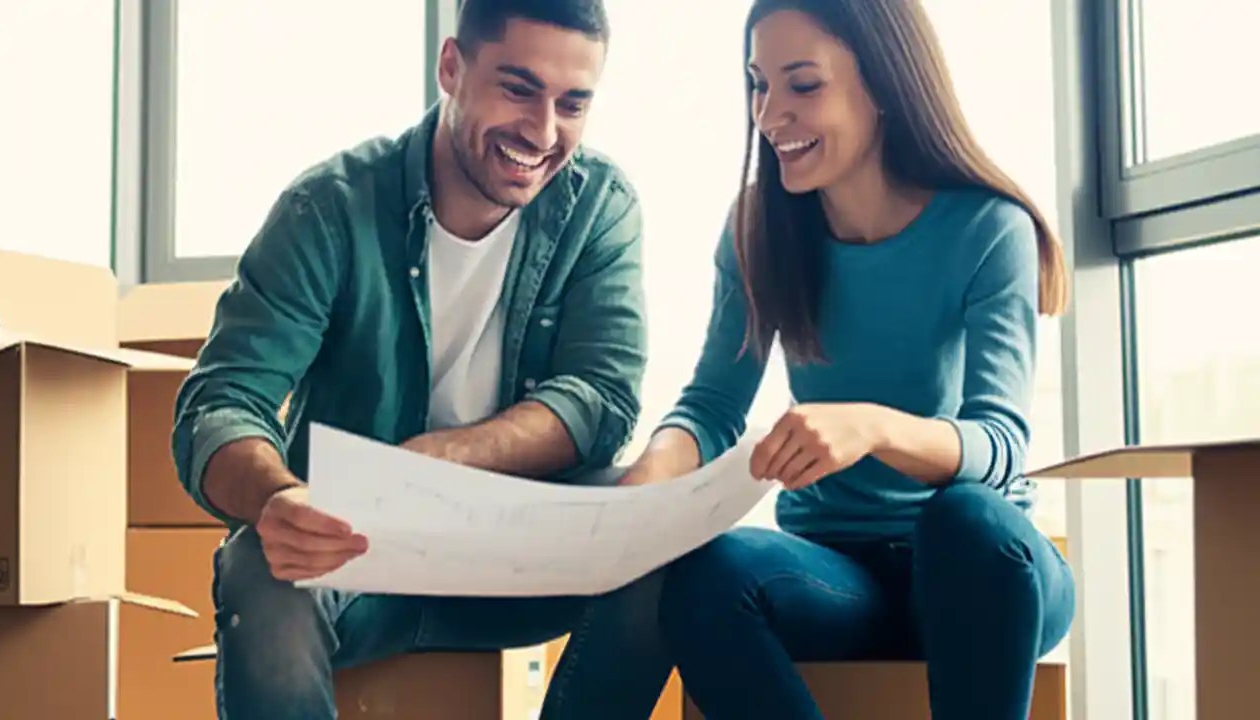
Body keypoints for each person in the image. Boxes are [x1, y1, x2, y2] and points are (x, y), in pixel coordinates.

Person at [169, 1, 654, 718]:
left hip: (518, 552)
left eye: (572, 103)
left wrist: (441, 460)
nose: (544, 132)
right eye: (518, 89)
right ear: (452, 67)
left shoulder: (599, 207)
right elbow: (220, 403)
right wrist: (279, 501)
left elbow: (602, 396)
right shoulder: (328, 209)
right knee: (258, 565)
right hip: (356, 554)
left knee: (662, 540)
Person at [610, 0, 1076, 718]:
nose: (769, 116)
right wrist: (648, 478)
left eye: (803, 84)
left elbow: (1002, 447)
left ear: (885, 85)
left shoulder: (988, 229)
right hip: (835, 579)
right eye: (758, 85)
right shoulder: (757, 227)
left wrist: (875, 428)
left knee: (967, 522)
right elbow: (711, 406)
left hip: (980, 579)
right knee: (707, 574)